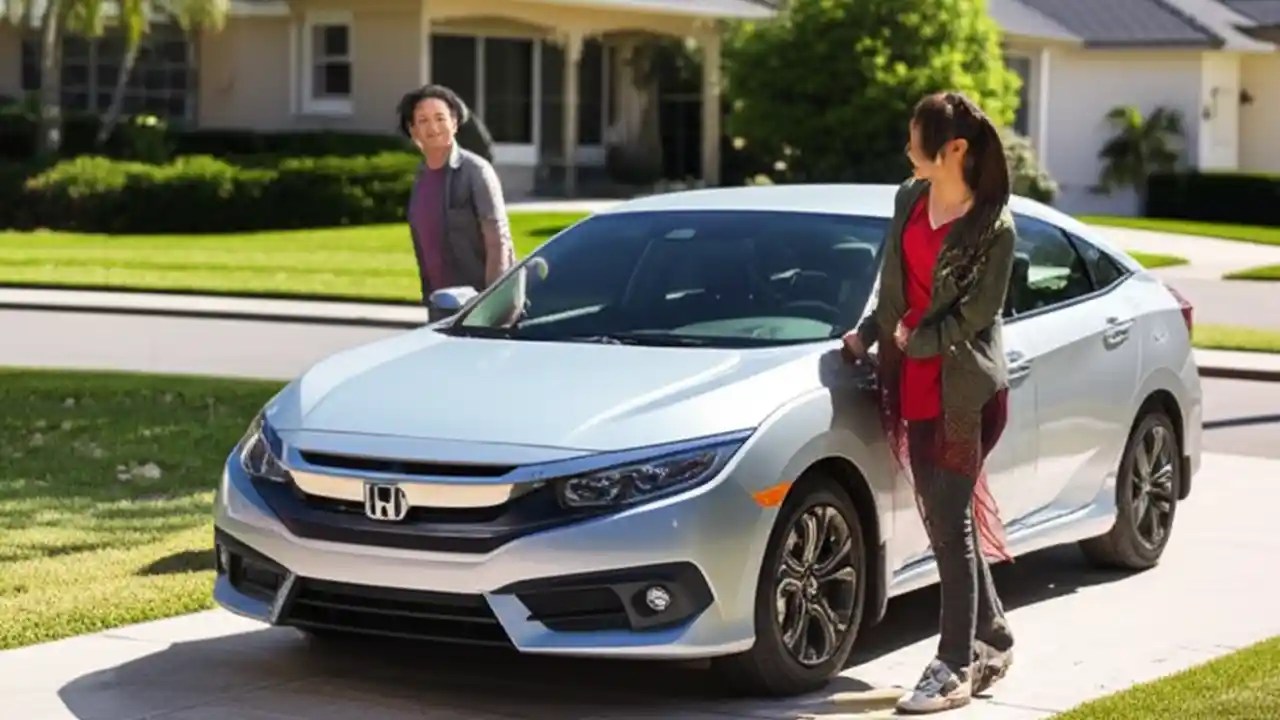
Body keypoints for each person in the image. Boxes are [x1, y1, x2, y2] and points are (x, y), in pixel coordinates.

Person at [844, 91, 1018, 715]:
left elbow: (980, 314)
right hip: (912, 385)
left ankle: (951, 667)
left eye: (917, 140)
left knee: (947, 523)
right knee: (950, 520)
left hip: (964, 394)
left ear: (955, 150)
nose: (908, 149)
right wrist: (868, 332)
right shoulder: (909, 198)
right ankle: (991, 637)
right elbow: (896, 282)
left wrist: (920, 338)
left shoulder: (992, 225)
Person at [396, 84, 514, 310]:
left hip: (480, 307)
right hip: (440, 307)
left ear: (455, 123)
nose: (433, 127)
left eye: (440, 118)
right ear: (413, 130)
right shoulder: (420, 180)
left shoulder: (476, 171)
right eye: (423, 120)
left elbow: (499, 241)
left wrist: (492, 306)